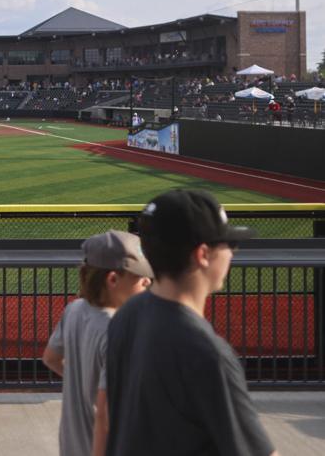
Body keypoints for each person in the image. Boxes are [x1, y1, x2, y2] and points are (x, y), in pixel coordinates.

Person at [105, 189, 276, 456]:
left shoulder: (128, 313)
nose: (232, 253)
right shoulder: (207, 354)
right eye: (229, 244)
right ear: (203, 254)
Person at [41, 231, 152, 456]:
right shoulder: (118, 331)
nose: (148, 282)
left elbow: (51, 358)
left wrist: (84, 381)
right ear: (113, 280)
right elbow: (108, 417)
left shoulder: (74, 310)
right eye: (139, 277)